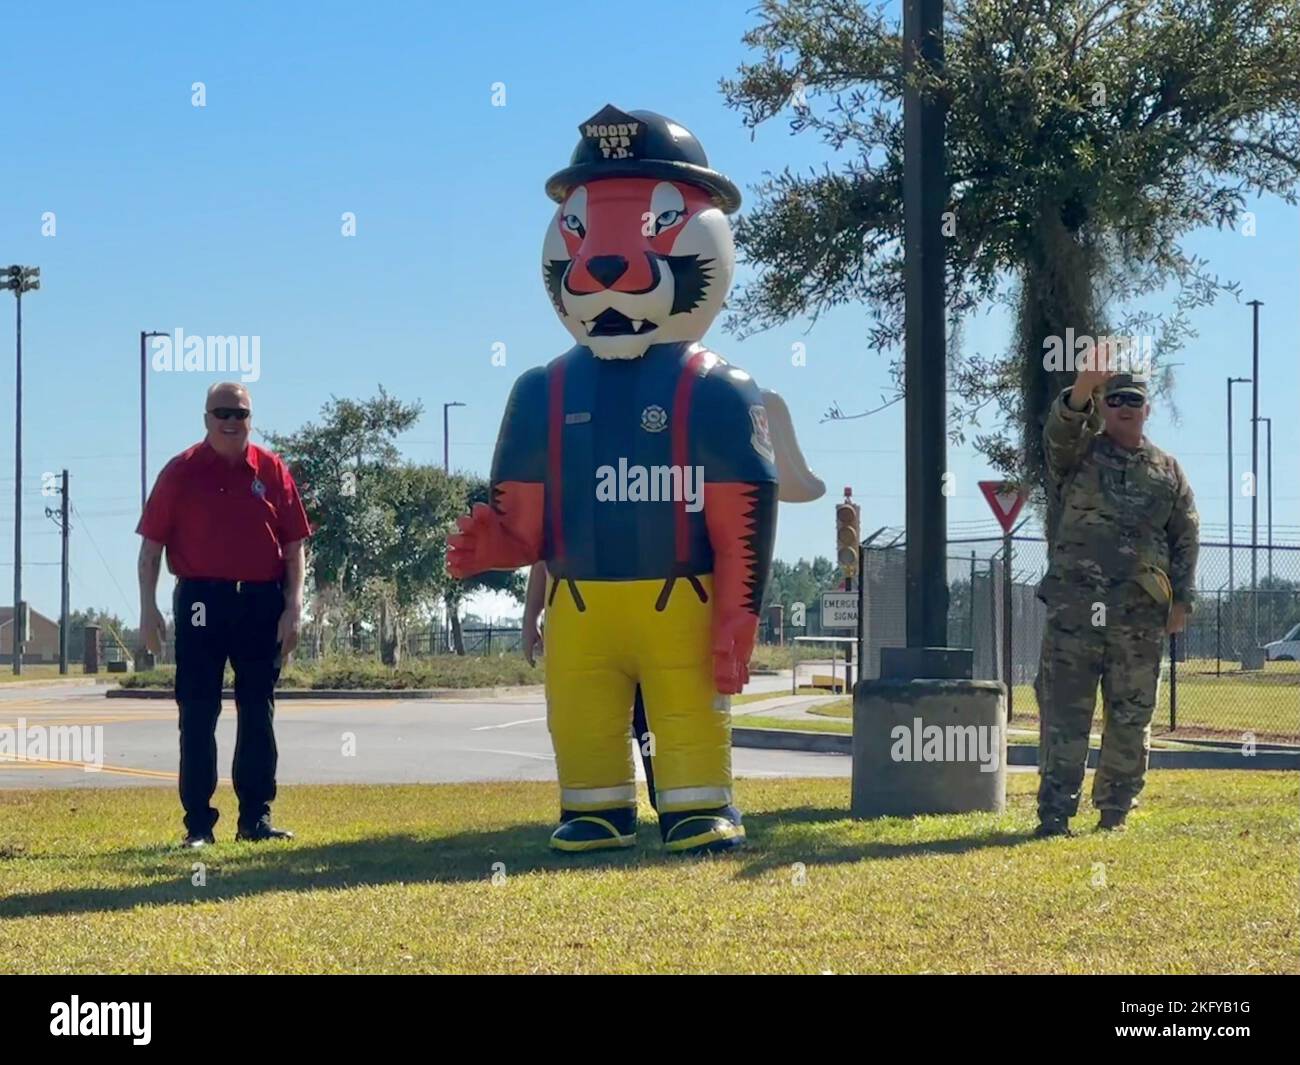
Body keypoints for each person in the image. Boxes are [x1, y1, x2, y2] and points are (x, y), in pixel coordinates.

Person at [138, 382, 311, 848]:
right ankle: (198, 826)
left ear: (251, 418)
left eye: (240, 413)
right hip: (199, 602)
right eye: (222, 412)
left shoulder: (273, 470)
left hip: (260, 601)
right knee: (198, 712)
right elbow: (151, 549)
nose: (231, 421)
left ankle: (255, 819)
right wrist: (147, 608)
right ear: (206, 418)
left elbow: (294, 548)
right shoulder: (181, 472)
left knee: (257, 710)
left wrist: (294, 606)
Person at [1034, 359, 1199, 837]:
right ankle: (1054, 813)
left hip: (1138, 617)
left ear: (1147, 410)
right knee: (1066, 711)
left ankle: (1114, 813)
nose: (1125, 407)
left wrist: (1181, 602)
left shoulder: (1168, 471)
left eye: (1134, 400)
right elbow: (1061, 430)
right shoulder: (1079, 454)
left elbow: (1185, 535)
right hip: (1075, 612)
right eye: (1116, 399)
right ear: (1104, 407)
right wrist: (1082, 387)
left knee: (1130, 714)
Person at [521, 561, 658, 810]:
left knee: (652, 732)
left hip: (655, 633)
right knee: (598, 733)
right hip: (590, 638)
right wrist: (531, 615)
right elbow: (545, 554)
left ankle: (666, 796)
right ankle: (603, 811)